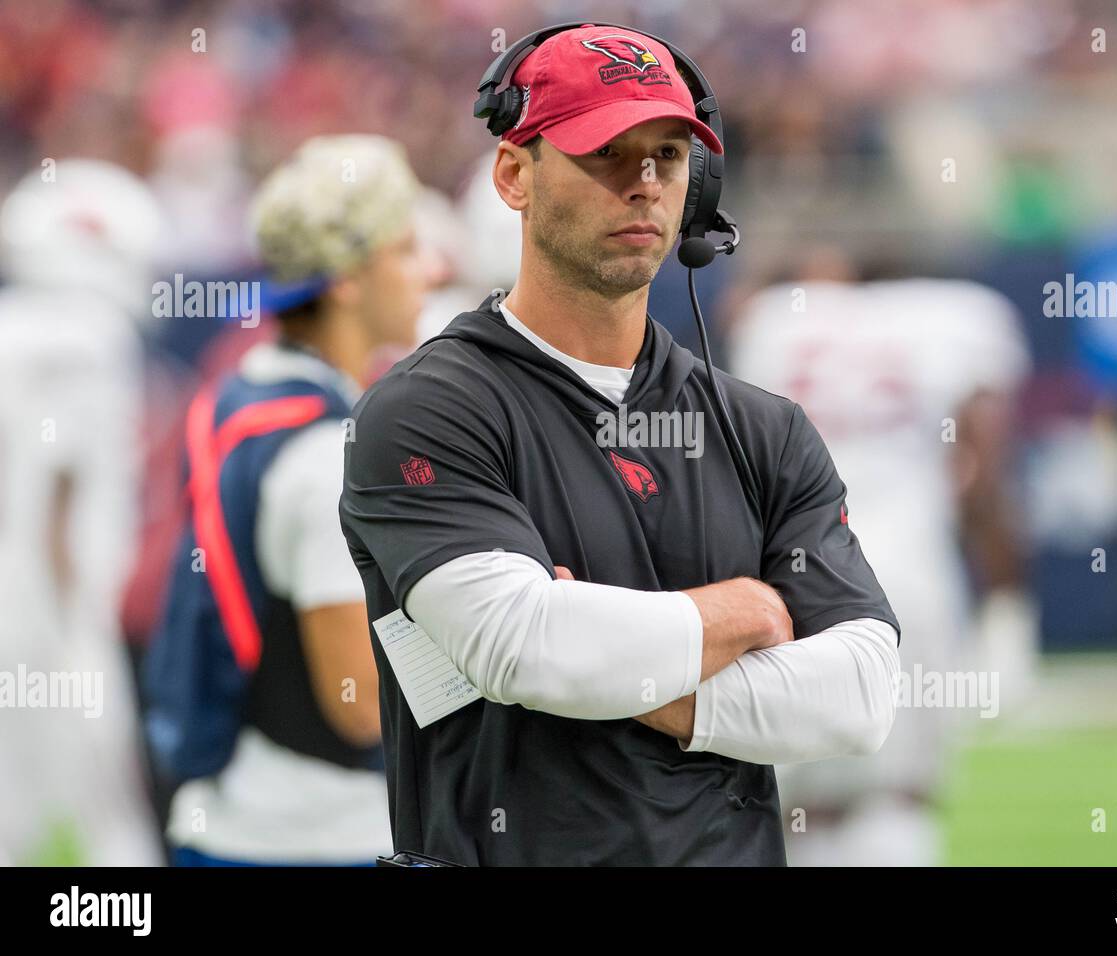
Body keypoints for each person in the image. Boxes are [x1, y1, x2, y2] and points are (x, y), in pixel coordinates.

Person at [340, 23, 901, 866]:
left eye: (668, 156)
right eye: (605, 152)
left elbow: (859, 698)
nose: (642, 184)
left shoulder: (763, 427)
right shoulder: (426, 412)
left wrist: (624, 673)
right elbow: (522, 647)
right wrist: (739, 613)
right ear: (513, 176)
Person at [144, 135, 430, 866]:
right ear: (346, 281)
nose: (425, 272)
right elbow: (361, 707)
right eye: (403, 249)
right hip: (313, 835)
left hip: (237, 812)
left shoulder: (248, 393)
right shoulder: (324, 455)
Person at [730, 276, 1033, 865]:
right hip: (907, 588)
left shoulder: (771, 322)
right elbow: (983, 480)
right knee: (898, 800)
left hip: (794, 589)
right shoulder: (958, 317)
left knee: (794, 809)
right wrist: (1008, 609)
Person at [0, 159, 164, 865]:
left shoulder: (15, 327)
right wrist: (72, 630)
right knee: (94, 830)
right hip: (47, 611)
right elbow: (58, 508)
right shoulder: (87, 340)